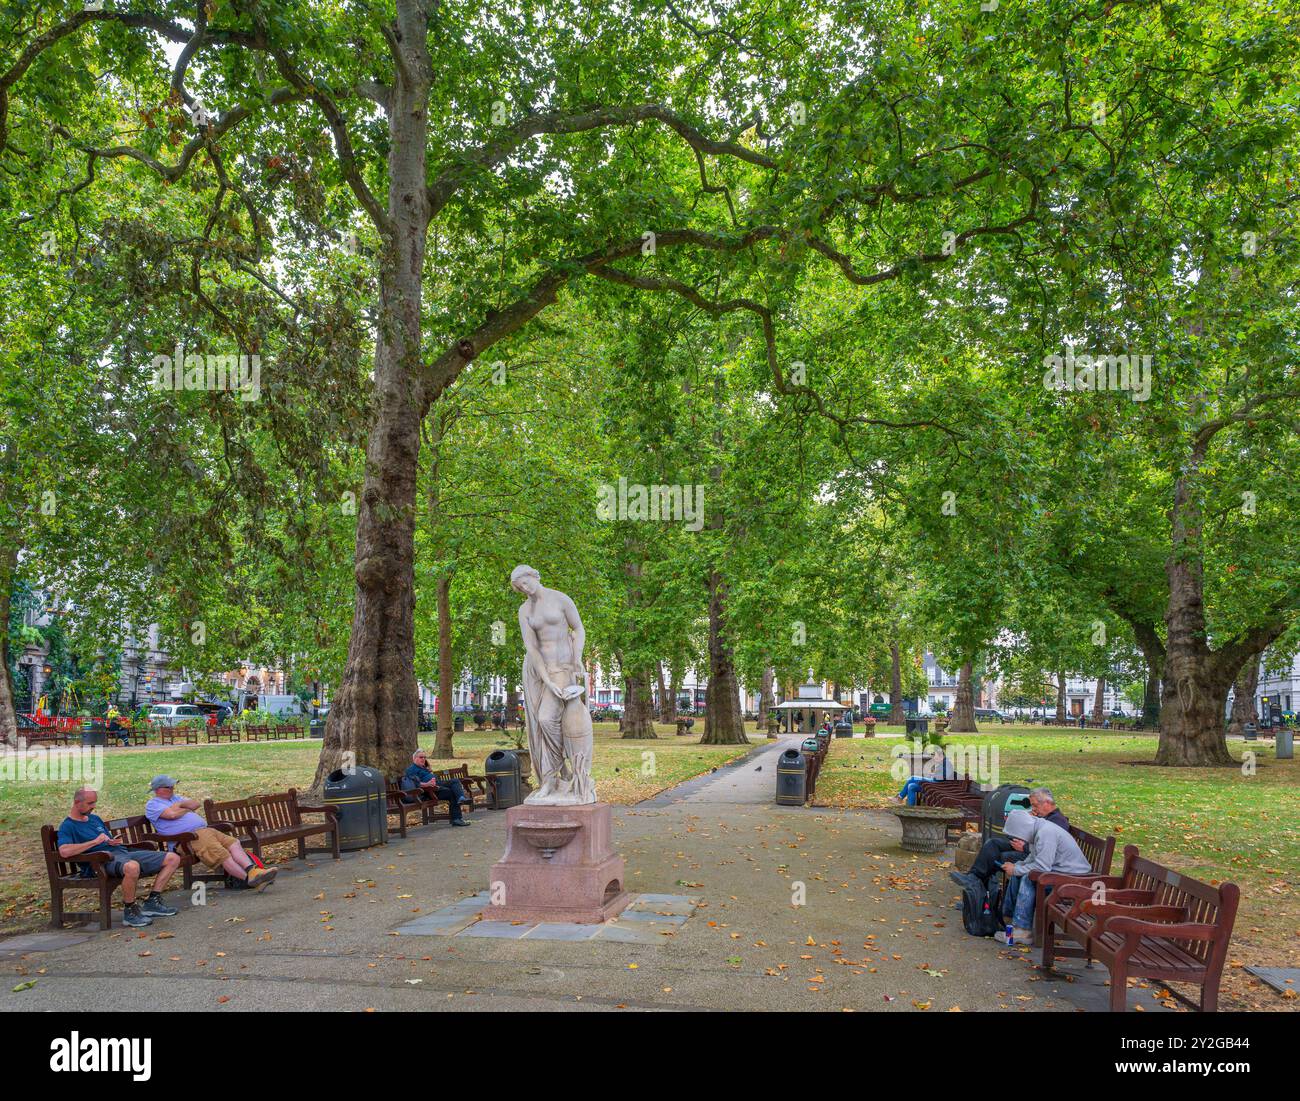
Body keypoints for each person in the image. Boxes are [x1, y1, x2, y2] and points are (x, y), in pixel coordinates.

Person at [57, 788, 182, 928]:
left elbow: (105, 840)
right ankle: (130, 911)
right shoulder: (68, 826)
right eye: (90, 803)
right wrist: (94, 842)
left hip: (122, 853)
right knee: (132, 866)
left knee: (172, 858)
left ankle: (152, 902)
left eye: (94, 802)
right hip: (101, 862)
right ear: (76, 802)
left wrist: (111, 842)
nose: (93, 806)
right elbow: (64, 851)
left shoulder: (94, 819)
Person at [144, 775, 277, 890]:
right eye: (169, 787)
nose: (173, 788)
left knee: (233, 843)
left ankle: (253, 871)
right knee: (220, 853)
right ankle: (250, 880)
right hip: (187, 839)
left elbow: (195, 804)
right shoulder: (153, 804)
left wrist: (179, 806)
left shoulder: (175, 798)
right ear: (158, 789)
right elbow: (171, 815)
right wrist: (184, 807)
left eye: (173, 786)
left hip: (204, 832)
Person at [994, 808, 1092, 944]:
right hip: (1062, 874)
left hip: (1074, 880)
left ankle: (1022, 931)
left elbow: (1041, 868)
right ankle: (1010, 921)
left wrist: (1016, 869)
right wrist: (1017, 866)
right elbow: (1034, 857)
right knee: (1020, 874)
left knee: (1028, 878)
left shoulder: (1046, 833)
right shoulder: (1038, 829)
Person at [950, 787, 1068, 890]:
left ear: (1047, 803)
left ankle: (977, 892)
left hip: (1036, 855)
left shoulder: (1057, 821)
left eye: (1035, 805)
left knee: (997, 858)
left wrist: (1025, 847)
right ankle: (974, 878)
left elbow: (1047, 852)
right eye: (1032, 805)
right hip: (1028, 848)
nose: (1033, 809)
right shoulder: (1044, 816)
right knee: (993, 844)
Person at [403, 750, 471, 825]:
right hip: (429, 791)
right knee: (452, 792)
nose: (423, 759)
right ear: (414, 758)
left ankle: (461, 798)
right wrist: (427, 784)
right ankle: (457, 818)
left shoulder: (423, 768)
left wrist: (429, 771)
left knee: (455, 781)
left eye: (424, 757)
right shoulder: (411, 770)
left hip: (436, 785)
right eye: (421, 757)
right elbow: (415, 784)